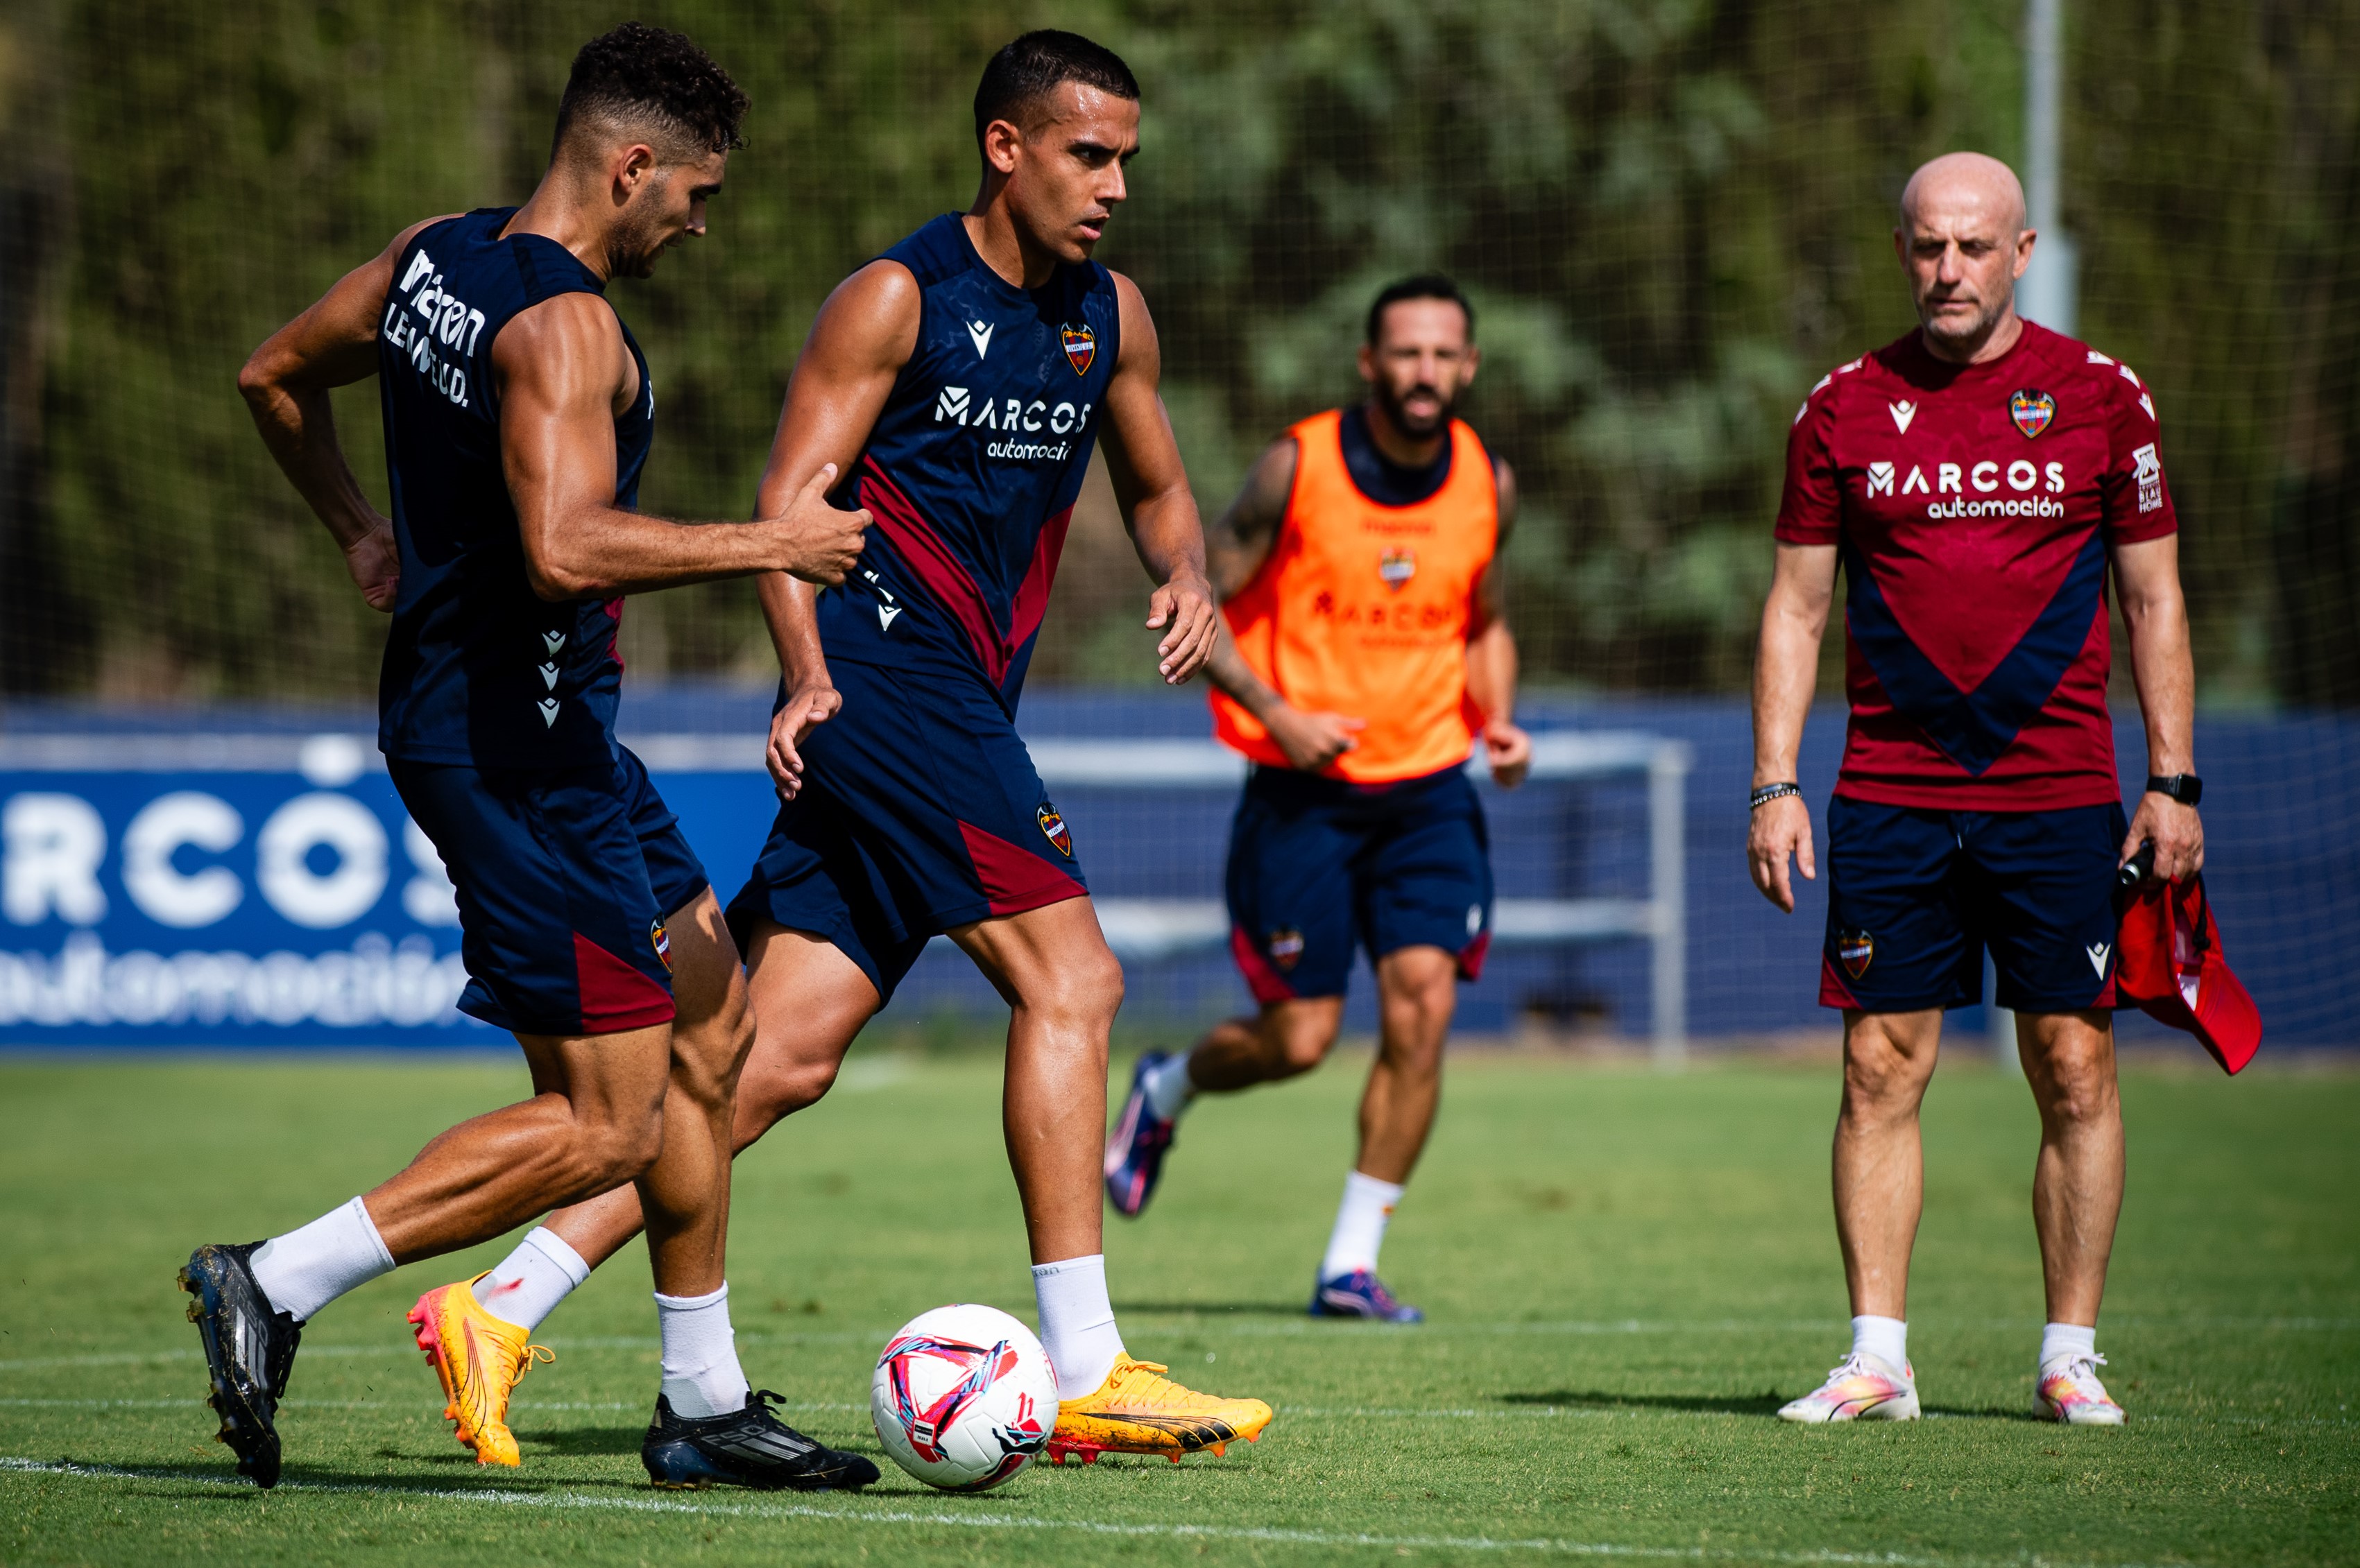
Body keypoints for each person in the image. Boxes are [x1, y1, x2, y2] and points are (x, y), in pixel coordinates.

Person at [414, 29, 1273, 1469]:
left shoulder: (1110, 315)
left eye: (1128, 156)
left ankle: (503, 1303)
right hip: (886, 681)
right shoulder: (895, 297)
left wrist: (1187, 577)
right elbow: (790, 506)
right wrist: (804, 675)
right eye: (1090, 153)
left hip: (962, 701)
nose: (1117, 183)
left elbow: (1164, 483)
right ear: (1006, 147)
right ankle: (1091, 1367)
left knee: (769, 1057)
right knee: (1078, 978)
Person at [191, 24, 879, 1491]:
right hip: (507, 755)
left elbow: (271, 377)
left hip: (562, 738)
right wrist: (778, 541)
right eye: (692, 195)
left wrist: (361, 532)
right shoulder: (569, 328)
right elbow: (564, 551)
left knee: (716, 1023)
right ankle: (277, 1278)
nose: (697, 225)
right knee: (611, 1122)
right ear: (629, 167)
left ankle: (700, 1401)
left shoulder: (435, 254)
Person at [1749, 151, 2201, 1426]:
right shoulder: (1838, 408)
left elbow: (2154, 596)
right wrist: (1771, 782)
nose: (1946, 268)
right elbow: (1793, 606)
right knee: (1879, 1067)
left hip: (2059, 790)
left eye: (1971, 246)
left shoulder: (2105, 399)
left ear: (2020, 251)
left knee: (2072, 1064)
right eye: (1925, 246)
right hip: (1887, 789)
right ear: (1901, 252)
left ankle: (2069, 1355)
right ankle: (1877, 1357)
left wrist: (2171, 778)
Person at [1100, 275, 1531, 1322]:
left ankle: (1348, 1262)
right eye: (1405, 352)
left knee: (1423, 1009)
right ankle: (1166, 1088)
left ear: (1467, 367)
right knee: (1298, 1039)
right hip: (1302, 793)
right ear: (1368, 364)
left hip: (1430, 788)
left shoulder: (1488, 482)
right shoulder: (1299, 467)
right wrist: (1274, 711)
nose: (1424, 372)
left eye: (1443, 354)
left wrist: (1500, 715)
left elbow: (1482, 621)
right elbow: (1198, 602)